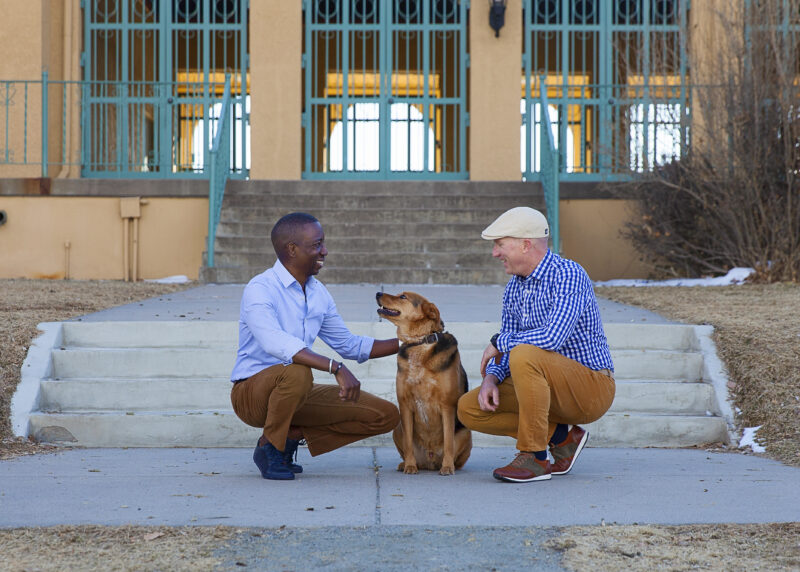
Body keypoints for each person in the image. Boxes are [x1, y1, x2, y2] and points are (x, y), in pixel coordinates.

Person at [230, 212, 400, 480]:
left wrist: (408, 342)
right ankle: (270, 448)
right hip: (252, 394)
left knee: (384, 415)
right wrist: (335, 367)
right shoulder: (260, 288)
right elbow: (275, 343)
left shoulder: (318, 292)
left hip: (296, 391)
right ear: (292, 249)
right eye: (317, 244)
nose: (325, 251)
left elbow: (349, 344)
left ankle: (286, 438)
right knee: (296, 371)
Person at [457, 207, 615, 483]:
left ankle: (535, 457)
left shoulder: (569, 274)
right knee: (470, 408)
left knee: (524, 353)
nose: (495, 253)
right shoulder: (514, 288)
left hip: (590, 388)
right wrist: (492, 378)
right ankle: (562, 438)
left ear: (525, 244)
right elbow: (511, 343)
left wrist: (499, 342)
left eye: (500, 245)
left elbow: (552, 338)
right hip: (541, 386)